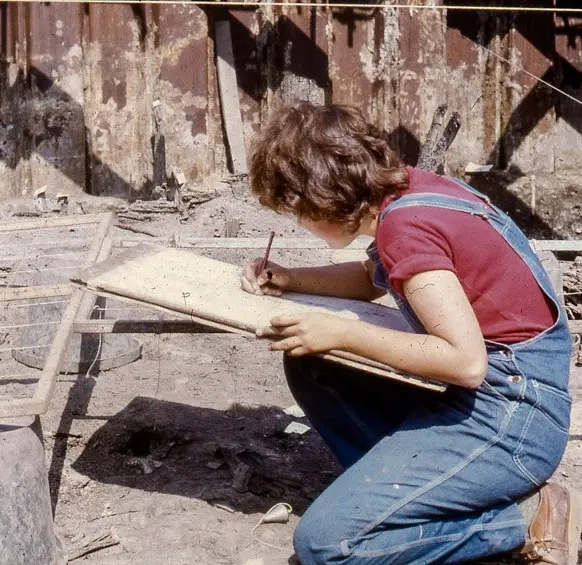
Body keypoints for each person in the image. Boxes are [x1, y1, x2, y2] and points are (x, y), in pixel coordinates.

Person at [240, 102, 579, 564]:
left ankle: (518, 519)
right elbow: (370, 277)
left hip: (513, 418)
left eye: (297, 211)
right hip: (506, 394)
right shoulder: (406, 193)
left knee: (326, 547)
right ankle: (407, 500)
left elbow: (464, 361)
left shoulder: (405, 226)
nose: (297, 223)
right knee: (311, 361)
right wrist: (292, 278)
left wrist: (340, 332)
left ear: (322, 195)